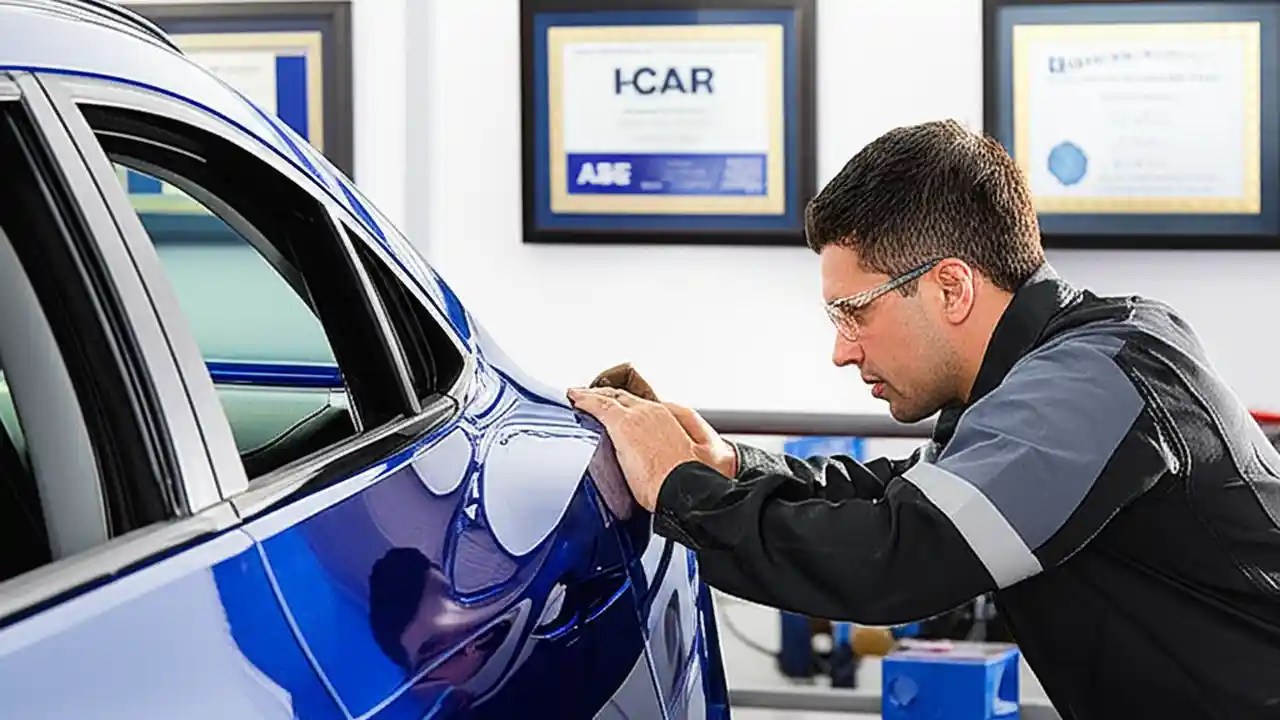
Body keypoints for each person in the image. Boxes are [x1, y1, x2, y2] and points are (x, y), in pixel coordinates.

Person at [567, 119, 1280, 719]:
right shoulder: (1032, 380)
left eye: (854, 311)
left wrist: (678, 487)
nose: (842, 350)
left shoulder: (1105, 374)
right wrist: (729, 467)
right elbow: (903, 495)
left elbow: (902, 551)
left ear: (950, 286)